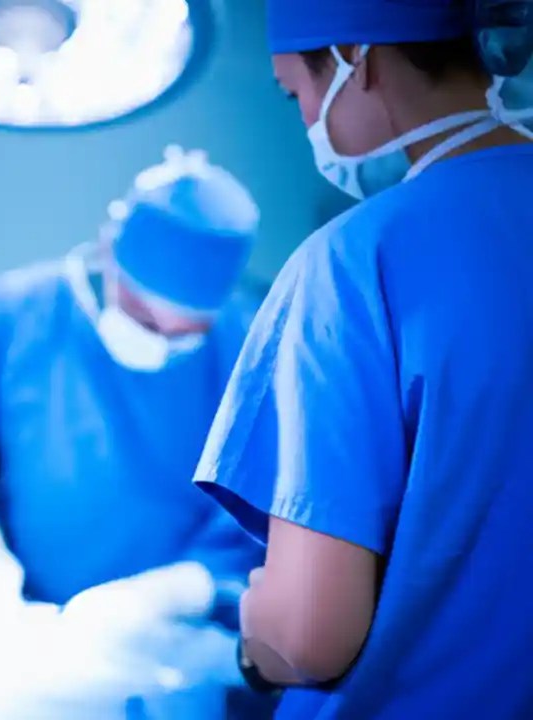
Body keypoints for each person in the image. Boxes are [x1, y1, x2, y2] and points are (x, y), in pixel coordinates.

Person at [192, 1, 533, 717]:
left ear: (358, 57)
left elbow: (309, 636)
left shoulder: (352, 261)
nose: (308, 119)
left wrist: (256, 640)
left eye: (298, 94)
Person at [0, 147, 267, 716]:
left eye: (185, 332)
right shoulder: (12, 311)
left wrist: (182, 588)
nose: (159, 338)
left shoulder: (248, 342)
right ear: (110, 247)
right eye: (142, 313)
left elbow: (262, 506)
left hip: (178, 646)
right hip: (27, 631)